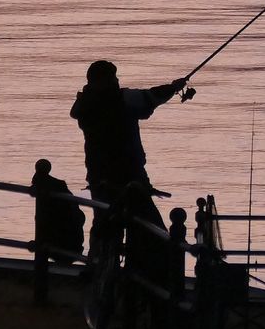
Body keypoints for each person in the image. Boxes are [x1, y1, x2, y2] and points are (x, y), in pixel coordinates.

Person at [70, 59, 186, 281]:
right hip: (130, 176)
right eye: (113, 77)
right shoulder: (123, 99)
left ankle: (95, 268)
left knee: (103, 224)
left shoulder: (84, 105)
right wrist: (173, 87)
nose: (117, 80)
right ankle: (151, 281)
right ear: (104, 80)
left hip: (98, 176)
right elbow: (151, 97)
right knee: (150, 228)